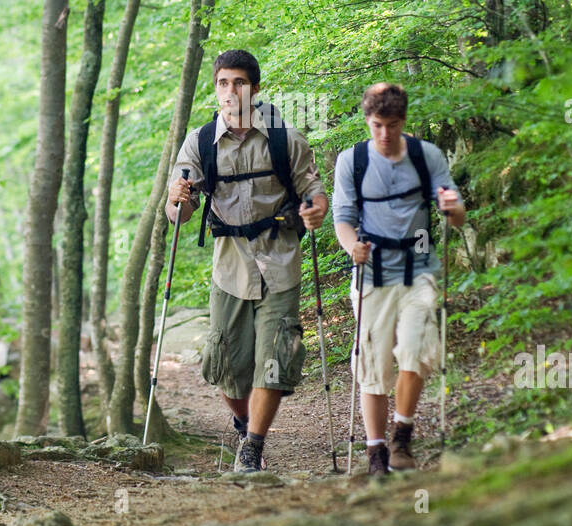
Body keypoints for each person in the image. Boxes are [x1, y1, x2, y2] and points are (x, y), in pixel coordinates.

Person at [166, 49, 328, 473]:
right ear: (215, 88)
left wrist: (314, 210)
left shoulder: (283, 138)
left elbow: (313, 192)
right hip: (230, 266)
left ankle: (253, 448)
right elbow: (179, 214)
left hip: (279, 262)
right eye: (223, 83)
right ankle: (244, 425)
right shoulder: (199, 142)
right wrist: (177, 200)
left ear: (254, 88)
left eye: (239, 83)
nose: (230, 91)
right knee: (225, 365)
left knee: (272, 359)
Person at [332, 83, 466, 476]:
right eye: (377, 125)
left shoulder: (427, 156)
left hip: (419, 271)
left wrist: (452, 207)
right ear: (367, 122)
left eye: (392, 125)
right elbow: (343, 217)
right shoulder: (352, 161)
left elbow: (456, 214)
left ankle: (402, 438)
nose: (385, 134)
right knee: (372, 365)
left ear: (404, 121)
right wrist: (351, 245)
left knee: (417, 351)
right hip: (372, 272)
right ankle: (376, 454)